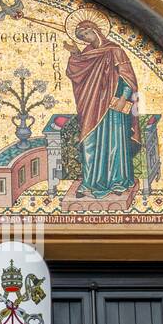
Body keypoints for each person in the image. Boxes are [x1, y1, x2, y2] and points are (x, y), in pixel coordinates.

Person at [64, 20, 141, 198]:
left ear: (95, 30)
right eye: (82, 37)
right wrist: (75, 54)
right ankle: (90, 182)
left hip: (114, 104)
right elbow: (77, 73)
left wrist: (123, 98)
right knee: (90, 142)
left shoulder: (115, 50)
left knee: (115, 142)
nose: (86, 39)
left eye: (86, 34)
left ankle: (117, 181)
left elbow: (127, 77)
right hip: (92, 104)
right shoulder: (88, 53)